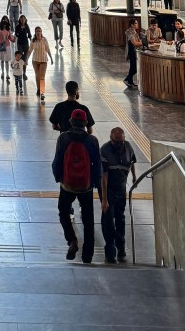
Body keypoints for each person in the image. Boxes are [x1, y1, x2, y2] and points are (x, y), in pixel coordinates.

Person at [51, 108, 101, 264]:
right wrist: (94, 184)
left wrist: (60, 179)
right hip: (85, 186)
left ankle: (72, 240)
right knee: (88, 220)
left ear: (71, 122)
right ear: (86, 124)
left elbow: (57, 162)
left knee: (63, 212)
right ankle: (88, 256)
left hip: (67, 185)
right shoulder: (92, 140)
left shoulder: (63, 138)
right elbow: (97, 166)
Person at [100, 126, 137, 264]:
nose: (119, 144)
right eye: (116, 141)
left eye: (121, 141)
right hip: (108, 189)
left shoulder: (128, 147)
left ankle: (121, 248)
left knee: (120, 218)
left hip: (121, 188)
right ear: (111, 139)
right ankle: (110, 252)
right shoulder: (104, 150)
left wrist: (134, 176)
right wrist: (104, 199)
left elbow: (132, 161)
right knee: (108, 220)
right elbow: (103, 176)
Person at [27, 25, 52, 103]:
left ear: (41, 32)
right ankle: (38, 88)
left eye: (40, 31)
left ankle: (42, 92)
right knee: (37, 75)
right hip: (35, 60)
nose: (38, 32)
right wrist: (26, 59)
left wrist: (51, 57)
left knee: (42, 76)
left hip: (43, 60)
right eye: (37, 31)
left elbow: (47, 49)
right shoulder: (33, 41)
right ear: (35, 32)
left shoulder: (44, 40)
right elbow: (30, 50)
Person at [0, 15, 15, 84]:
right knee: (2, 60)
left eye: (6, 19)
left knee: (6, 60)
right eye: (4, 19)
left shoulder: (8, 29)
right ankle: (3, 73)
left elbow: (10, 37)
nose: (5, 21)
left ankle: (7, 74)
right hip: (0, 46)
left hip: (6, 46)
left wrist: (13, 39)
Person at [124, 17, 141, 89]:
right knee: (133, 67)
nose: (137, 25)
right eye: (136, 23)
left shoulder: (134, 31)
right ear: (132, 25)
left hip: (135, 51)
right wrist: (142, 42)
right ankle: (128, 80)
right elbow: (135, 43)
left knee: (134, 67)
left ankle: (128, 80)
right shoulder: (130, 32)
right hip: (132, 51)